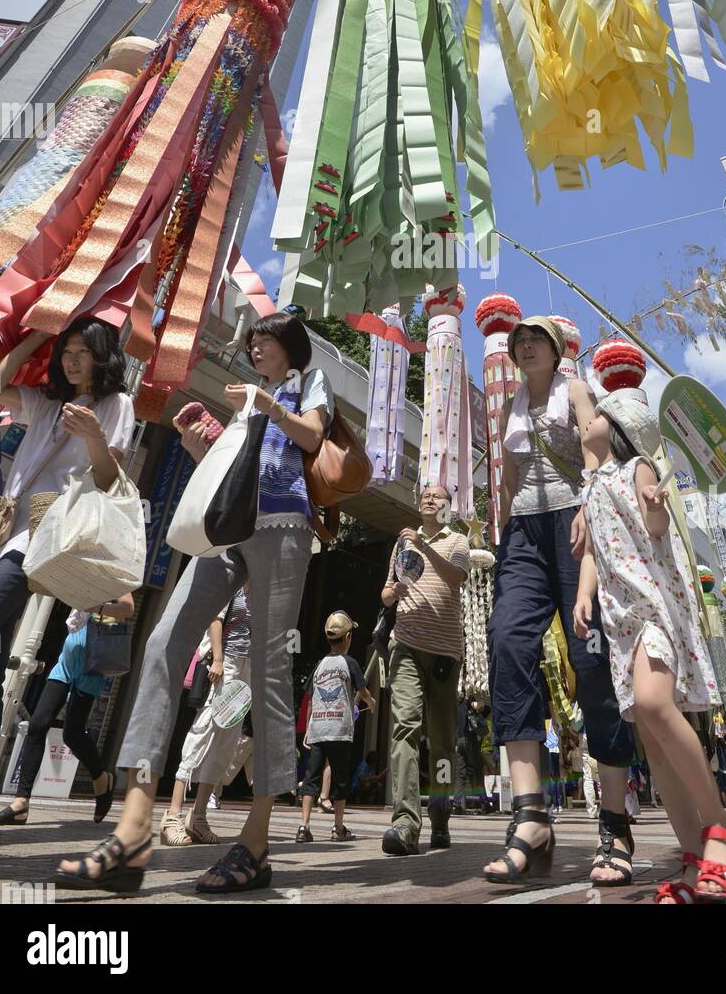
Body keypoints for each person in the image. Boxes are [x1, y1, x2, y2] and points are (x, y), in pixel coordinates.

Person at [54, 312, 333, 894]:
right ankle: (134, 828)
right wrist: (199, 441)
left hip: (283, 527)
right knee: (162, 640)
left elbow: (309, 436)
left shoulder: (309, 382)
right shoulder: (245, 402)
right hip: (227, 528)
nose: (255, 349)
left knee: (268, 671)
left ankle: (256, 842)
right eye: (252, 342)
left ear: (288, 347)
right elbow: (233, 471)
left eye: (264, 341)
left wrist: (268, 406)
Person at [0, 317, 135, 879]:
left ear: (102, 356)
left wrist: (93, 435)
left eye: (82, 352)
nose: (71, 361)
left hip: (45, 540)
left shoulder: (116, 405)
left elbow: (111, 478)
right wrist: (32, 328)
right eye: (64, 351)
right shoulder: (44, 402)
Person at [574, 383, 726, 906]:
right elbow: (593, 553)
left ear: (619, 431)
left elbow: (655, 521)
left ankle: (721, 833)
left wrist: (655, 506)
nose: (587, 422)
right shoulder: (591, 487)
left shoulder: (637, 468)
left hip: (653, 612)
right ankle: (694, 860)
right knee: (654, 747)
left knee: (653, 705)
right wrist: (584, 594)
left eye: (598, 418)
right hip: (620, 624)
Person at [485, 317, 634, 887]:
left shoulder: (575, 388)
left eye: (535, 339)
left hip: (575, 524)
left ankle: (615, 821)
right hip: (522, 533)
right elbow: (509, 475)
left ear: (556, 348)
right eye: (518, 340)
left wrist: (590, 508)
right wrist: (498, 536)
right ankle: (530, 817)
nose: (524, 346)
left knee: (591, 657)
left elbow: (597, 451)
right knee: (507, 643)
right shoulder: (510, 405)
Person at [0, 596, 135, 828]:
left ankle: (101, 779)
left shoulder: (117, 575)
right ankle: (20, 803)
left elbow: (127, 608)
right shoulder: (81, 570)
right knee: (38, 725)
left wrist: (96, 606)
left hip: (92, 663)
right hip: (66, 661)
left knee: (73, 734)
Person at [380, 485, 468, 856]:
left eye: (437, 496)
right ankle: (404, 822)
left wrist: (424, 546)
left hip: (446, 654)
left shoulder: (458, 540)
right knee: (404, 728)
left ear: (448, 506)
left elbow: (456, 577)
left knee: (444, 743)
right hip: (406, 645)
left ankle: (441, 813)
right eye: (424, 495)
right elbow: (384, 594)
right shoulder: (402, 545)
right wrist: (394, 591)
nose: (428, 499)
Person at [159, 588, 253, 847]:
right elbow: (215, 618)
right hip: (227, 665)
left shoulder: (265, 586)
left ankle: (198, 817)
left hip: (248, 669)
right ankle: (173, 815)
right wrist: (219, 659)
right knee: (203, 732)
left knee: (226, 743)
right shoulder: (234, 584)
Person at [296, 611, 374, 843]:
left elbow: (310, 698)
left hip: (318, 730)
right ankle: (338, 828)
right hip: (339, 730)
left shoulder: (320, 665)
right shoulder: (349, 663)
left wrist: (309, 728)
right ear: (348, 636)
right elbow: (362, 690)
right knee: (340, 779)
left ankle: (304, 826)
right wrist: (371, 702)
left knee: (311, 778)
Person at [455, 695, 490, 815]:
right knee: (478, 773)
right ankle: (484, 803)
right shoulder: (471, 707)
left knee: (460, 774)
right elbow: (487, 711)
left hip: (459, 741)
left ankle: (456, 803)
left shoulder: (458, 707)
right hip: (471, 740)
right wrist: (478, 706)